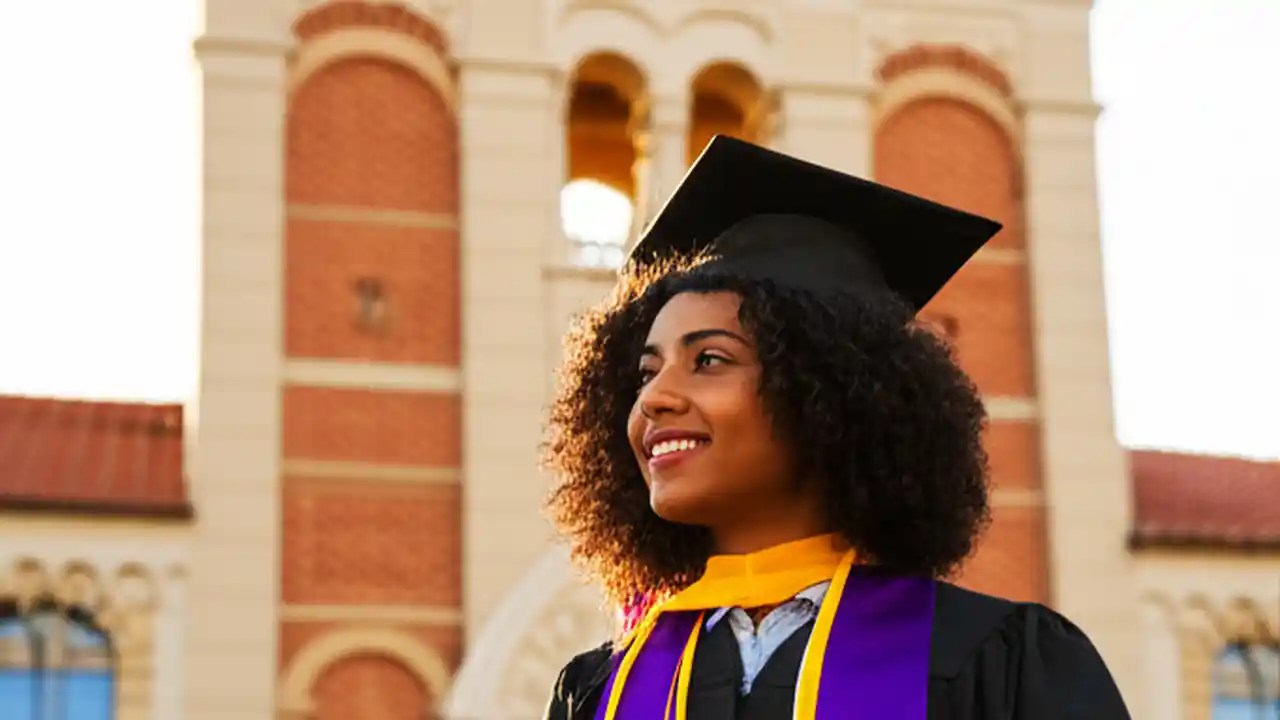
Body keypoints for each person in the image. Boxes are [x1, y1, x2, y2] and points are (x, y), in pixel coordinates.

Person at [541, 136, 1131, 719]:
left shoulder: (996, 663)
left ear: (829, 392)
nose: (655, 399)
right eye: (646, 372)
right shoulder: (601, 690)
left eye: (710, 360)